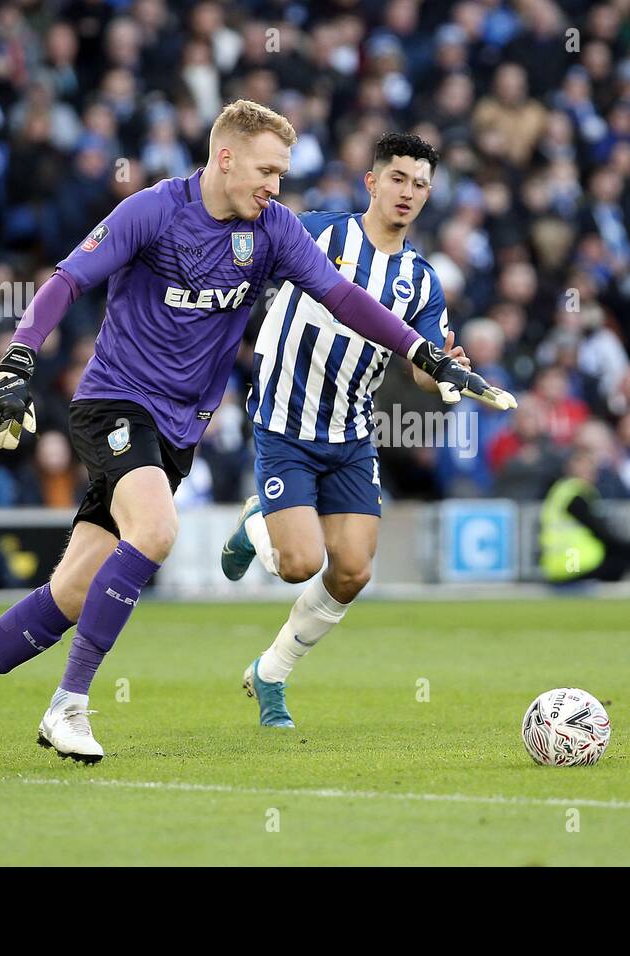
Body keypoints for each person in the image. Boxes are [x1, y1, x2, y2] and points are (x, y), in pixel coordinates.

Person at [0, 100, 513, 765]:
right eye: (268, 170)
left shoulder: (272, 228)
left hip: (177, 432)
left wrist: (419, 350)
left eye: (282, 173)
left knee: (72, 593)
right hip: (114, 405)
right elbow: (69, 279)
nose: (276, 186)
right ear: (225, 157)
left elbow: (340, 295)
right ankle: (69, 705)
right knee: (157, 532)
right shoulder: (153, 211)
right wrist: (19, 355)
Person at [217, 132, 512, 727]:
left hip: (352, 429)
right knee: (300, 563)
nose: (409, 192)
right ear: (371, 181)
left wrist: (447, 373)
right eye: (398, 178)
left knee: (351, 571)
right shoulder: (320, 232)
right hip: (285, 417)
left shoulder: (422, 281)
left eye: (421, 184)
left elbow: (422, 367)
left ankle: (270, 672)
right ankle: (256, 523)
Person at [540, 451, 630, 583]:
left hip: (560, 566)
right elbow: (599, 531)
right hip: (574, 567)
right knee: (629, 554)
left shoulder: (561, 493)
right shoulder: (575, 497)